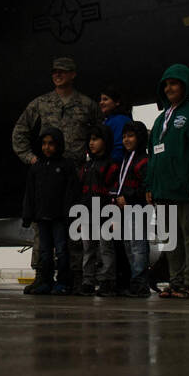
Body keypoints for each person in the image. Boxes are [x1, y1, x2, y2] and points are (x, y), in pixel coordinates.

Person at [12, 57, 102, 289]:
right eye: (55, 72)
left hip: (75, 176)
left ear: (73, 74)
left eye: (63, 71)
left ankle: (71, 276)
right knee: (42, 230)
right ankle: (42, 275)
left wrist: (93, 164)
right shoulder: (41, 104)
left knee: (72, 227)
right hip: (47, 177)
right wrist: (32, 159)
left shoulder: (87, 105)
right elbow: (19, 133)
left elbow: (102, 133)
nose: (58, 75)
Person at [145, 65, 189, 299]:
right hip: (163, 190)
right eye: (165, 84)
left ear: (185, 86)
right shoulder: (159, 120)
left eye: (174, 83)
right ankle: (175, 281)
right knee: (169, 239)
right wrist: (149, 185)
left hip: (187, 191)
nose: (169, 88)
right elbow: (153, 155)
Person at [21, 127, 80, 296]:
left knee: (61, 250)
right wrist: (27, 215)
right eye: (44, 144)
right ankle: (45, 281)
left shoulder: (66, 166)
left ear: (59, 145)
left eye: (51, 144)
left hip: (60, 218)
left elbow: (72, 193)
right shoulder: (36, 167)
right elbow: (30, 194)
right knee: (45, 252)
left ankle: (63, 282)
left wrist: (70, 215)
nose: (47, 147)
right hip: (42, 217)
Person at [103, 121, 150, 296]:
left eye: (130, 136)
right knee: (129, 246)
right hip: (124, 210)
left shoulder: (143, 161)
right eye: (124, 137)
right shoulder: (125, 160)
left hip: (137, 209)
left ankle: (140, 283)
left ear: (139, 137)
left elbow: (146, 186)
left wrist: (128, 197)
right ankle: (134, 281)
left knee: (138, 246)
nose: (126, 140)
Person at [78, 126, 114, 295]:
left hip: (105, 214)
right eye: (90, 140)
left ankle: (107, 280)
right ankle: (88, 281)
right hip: (87, 215)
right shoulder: (86, 167)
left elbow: (114, 191)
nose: (91, 143)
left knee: (105, 248)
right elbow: (80, 193)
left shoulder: (111, 165)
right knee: (88, 249)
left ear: (104, 142)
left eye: (95, 139)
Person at [99, 87, 133, 166]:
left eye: (105, 99)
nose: (101, 102)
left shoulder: (120, 120)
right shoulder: (108, 121)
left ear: (117, 102)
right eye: (100, 100)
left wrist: (107, 165)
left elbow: (119, 149)